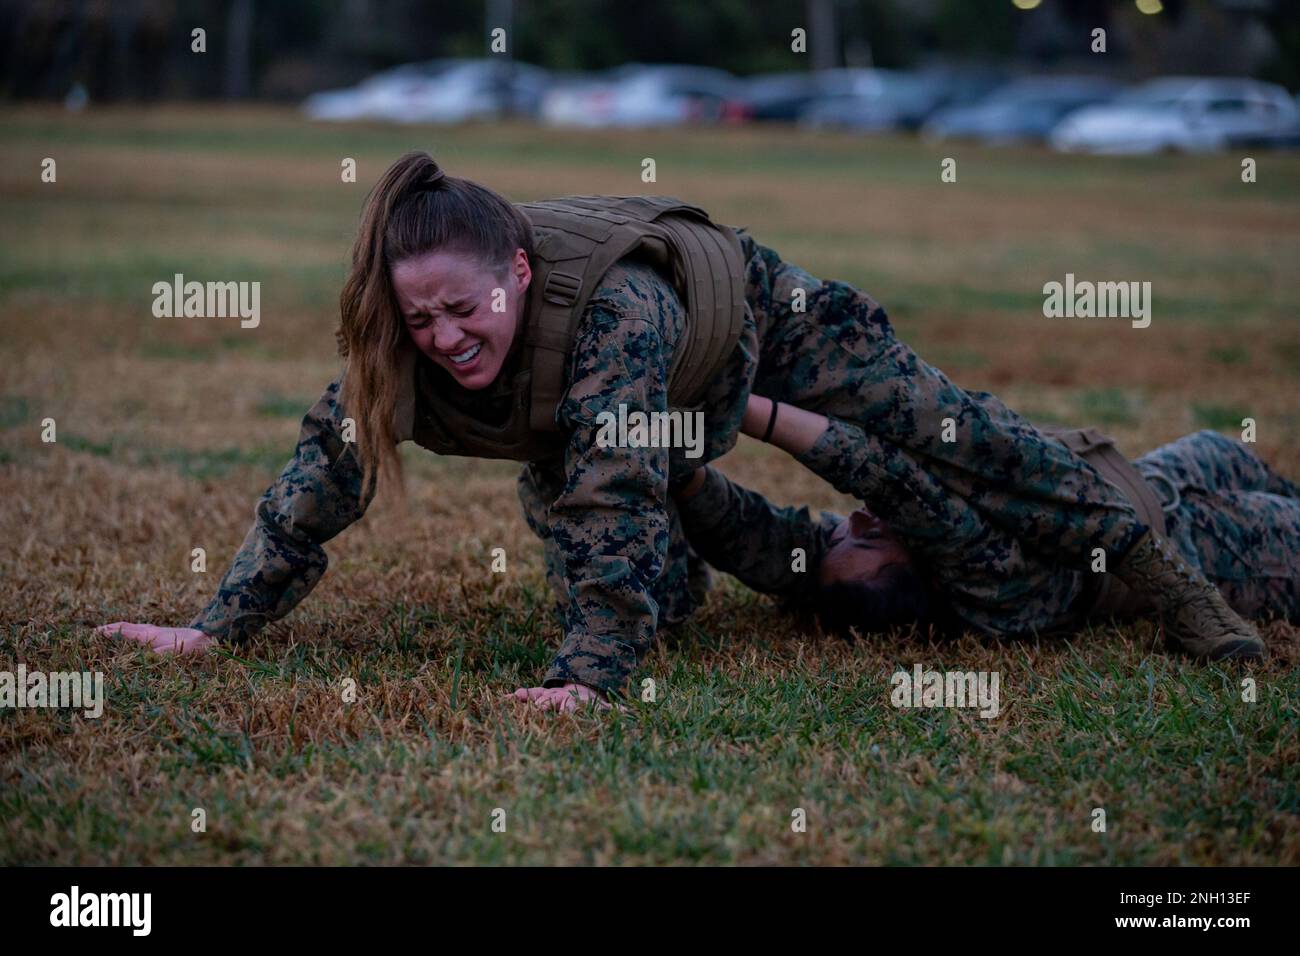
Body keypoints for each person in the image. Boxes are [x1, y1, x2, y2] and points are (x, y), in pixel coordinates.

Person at [97, 151, 1264, 716]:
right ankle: (670, 598)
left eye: (467, 307)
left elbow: (614, 481)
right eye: (422, 319)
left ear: (517, 270)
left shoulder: (609, 313)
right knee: (574, 503)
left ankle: (1179, 584)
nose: (447, 336)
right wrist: (216, 627)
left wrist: (587, 673)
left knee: (966, 439)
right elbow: (316, 483)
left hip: (765, 320)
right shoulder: (401, 348)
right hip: (639, 401)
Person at [664, 402, 1298, 642]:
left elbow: (761, 540)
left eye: (840, 531)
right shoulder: (993, 587)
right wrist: (744, 407)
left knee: (1224, 446)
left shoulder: (897, 570)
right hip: (1227, 548)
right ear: (928, 571)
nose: (854, 518)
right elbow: (891, 478)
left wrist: (681, 471)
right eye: (873, 535)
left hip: (1148, 476)